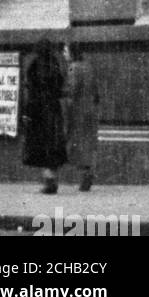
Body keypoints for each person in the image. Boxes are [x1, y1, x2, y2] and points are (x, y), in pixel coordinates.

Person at [22, 39, 67, 194]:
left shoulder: (35, 65)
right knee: (53, 145)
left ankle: (49, 181)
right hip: (53, 109)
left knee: (41, 146)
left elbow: (32, 90)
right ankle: (52, 178)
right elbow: (60, 85)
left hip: (39, 110)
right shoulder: (54, 64)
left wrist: (28, 111)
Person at [62, 45, 99, 192]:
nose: (64, 54)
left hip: (78, 112)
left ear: (72, 53)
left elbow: (72, 89)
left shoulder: (73, 68)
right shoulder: (88, 67)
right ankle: (89, 173)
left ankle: (85, 176)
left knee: (78, 144)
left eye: (65, 51)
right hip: (90, 110)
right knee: (88, 143)